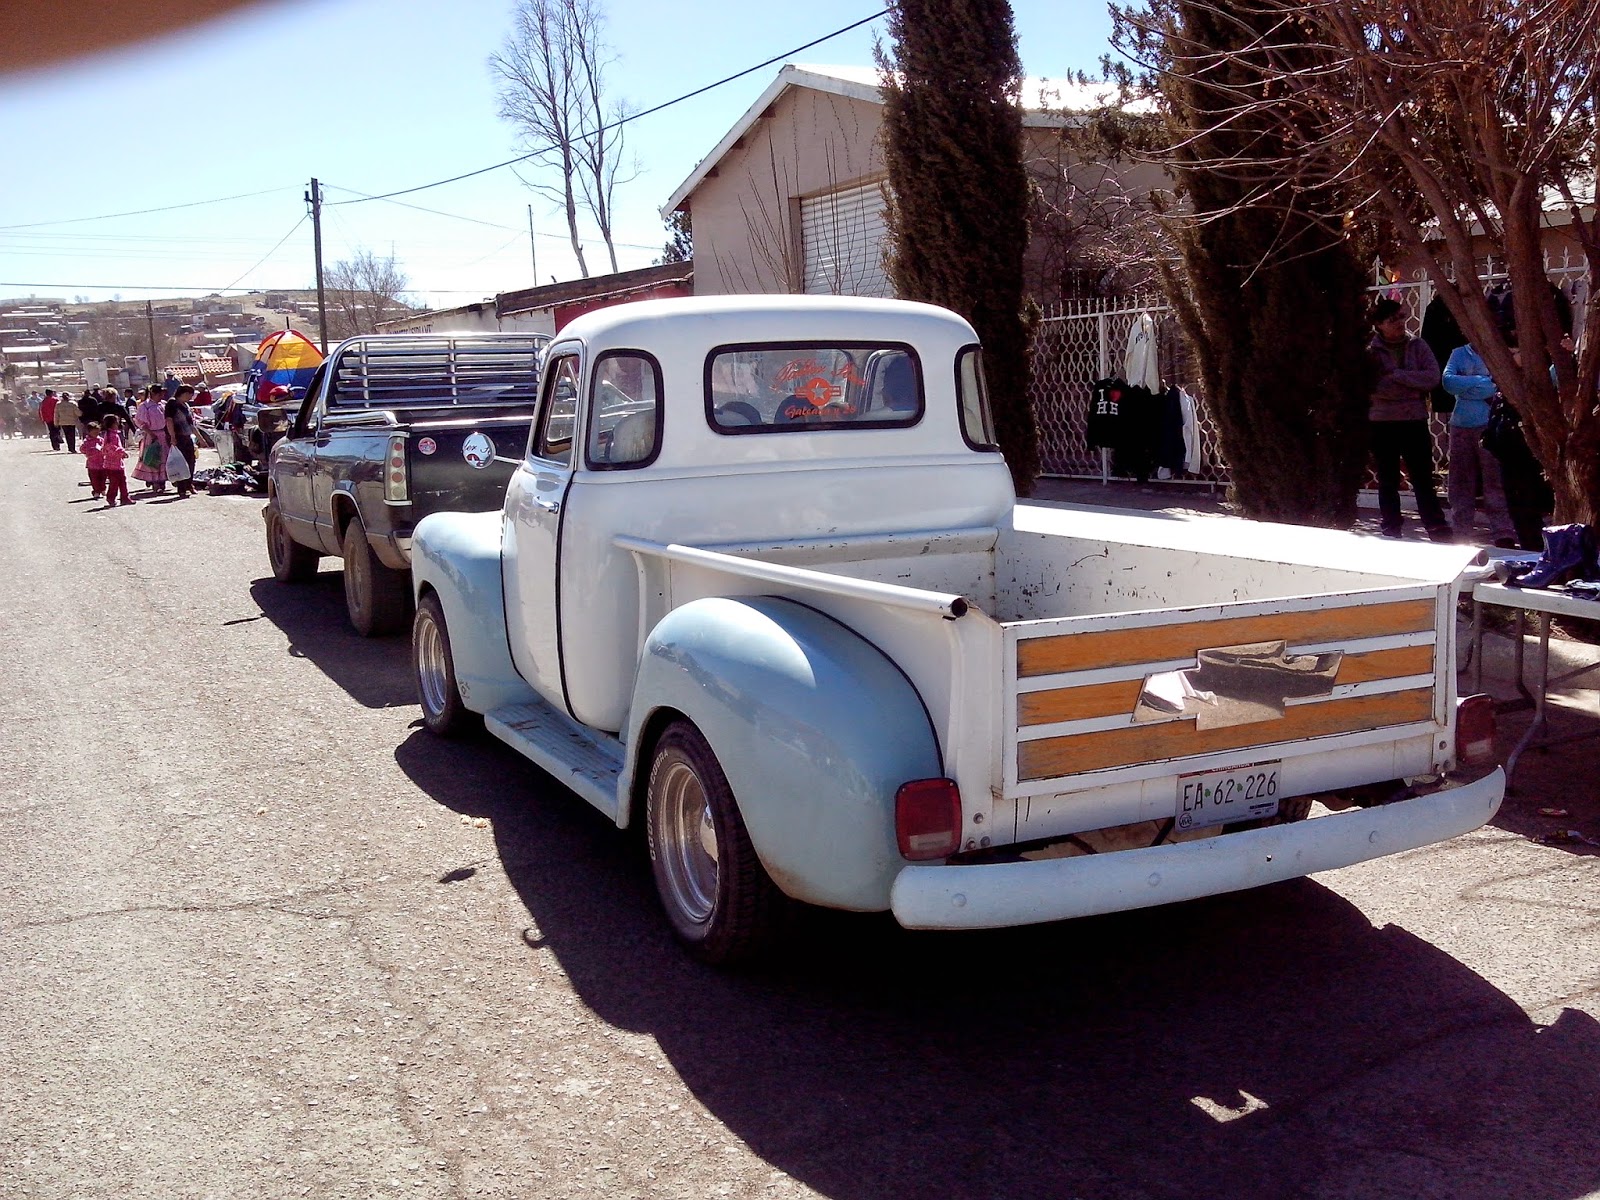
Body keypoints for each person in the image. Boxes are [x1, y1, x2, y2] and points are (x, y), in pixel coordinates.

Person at [1366, 298, 1451, 541]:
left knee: (1423, 476)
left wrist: (1398, 375)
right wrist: (1409, 386)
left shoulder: (1418, 345)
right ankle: (1391, 525)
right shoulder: (1371, 351)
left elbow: (1432, 377)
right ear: (1379, 324)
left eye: (1402, 317)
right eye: (1393, 320)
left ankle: (1435, 526)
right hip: (1382, 422)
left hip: (1414, 420)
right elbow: (1373, 386)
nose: (1400, 323)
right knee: (1387, 477)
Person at [1441, 341, 1518, 548]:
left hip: (1489, 425)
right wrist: (1481, 381)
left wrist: (1466, 386)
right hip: (1461, 425)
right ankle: (1461, 531)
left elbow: (1498, 385)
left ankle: (1503, 532)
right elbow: (1448, 382)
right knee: (1460, 482)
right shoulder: (1458, 353)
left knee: (1494, 481)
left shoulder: (1498, 352)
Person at [132, 385, 169, 493]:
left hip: (163, 434)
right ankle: (154, 482)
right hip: (152, 435)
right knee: (153, 457)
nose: (162, 396)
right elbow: (140, 422)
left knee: (164, 458)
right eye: (160, 393)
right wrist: (151, 434)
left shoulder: (163, 405)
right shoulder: (145, 406)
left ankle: (162, 481)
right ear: (153, 393)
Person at [165, 383, 198, 498]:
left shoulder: (185, 406)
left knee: (191, 460)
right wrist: (172, 437)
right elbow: (169, 421)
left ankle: (189, 484)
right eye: (189, 395)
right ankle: (181, 488)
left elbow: (191, 424)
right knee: (180, 463)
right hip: (177, 436)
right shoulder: (172, 403)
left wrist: (200, 438)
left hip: (187, 436)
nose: (190, 398)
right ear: (183, 393)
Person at [100, 413, 133, 506]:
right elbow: (111, 447)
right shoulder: (111, 436)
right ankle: (111, 497)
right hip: (113, 464)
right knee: (115, 482)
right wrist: (122, 452)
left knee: (122, 481)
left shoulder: (112, 434)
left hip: (117, 463)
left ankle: (125, 497)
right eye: (116, 422)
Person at [81, 420, 106, 500]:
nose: (96, 434)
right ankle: (96, 491)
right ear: (89, 432)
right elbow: (82, 449)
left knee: (103, 478)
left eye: (97, 432)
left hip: (102, 463)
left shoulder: (101, 440)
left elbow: (105, 447)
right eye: (94, 432)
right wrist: (89, 451)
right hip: (92, 464)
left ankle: (103, 488)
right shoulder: (86, 441)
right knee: (94, 479)